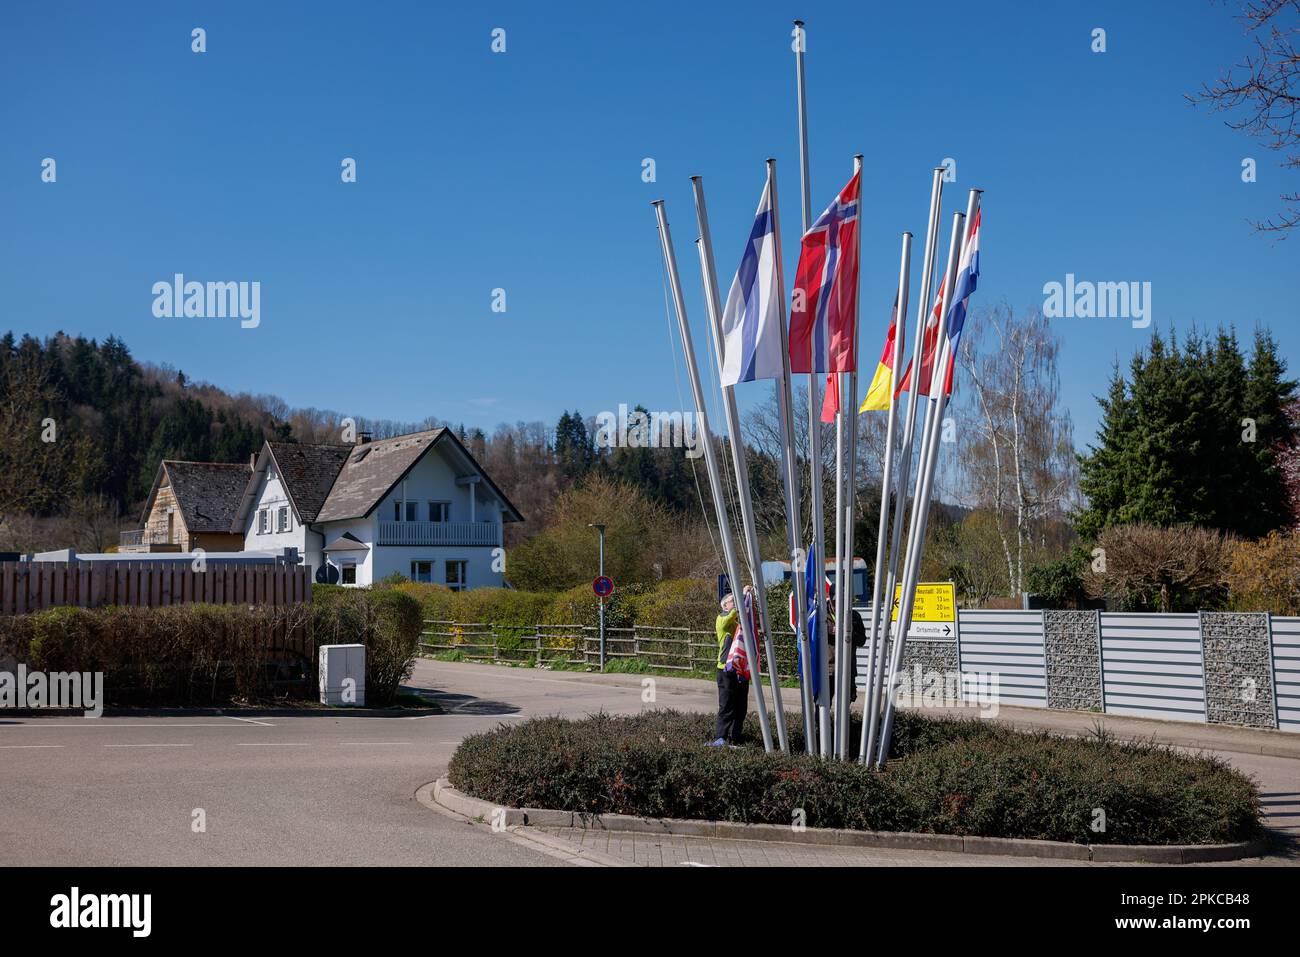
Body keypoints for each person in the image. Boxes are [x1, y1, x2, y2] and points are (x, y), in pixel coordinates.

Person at [709, 587, 754, 746]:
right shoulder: (722, 619)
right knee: (726, 705)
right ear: (725, 606)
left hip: (740, 669)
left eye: (737, 601)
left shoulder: (739, 623)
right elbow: (733, 614)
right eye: (732, 601)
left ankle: (736, 737)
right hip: (725, 670)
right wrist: (742, 595)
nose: (735, 604)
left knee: (740, 707)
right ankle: (720, 737)